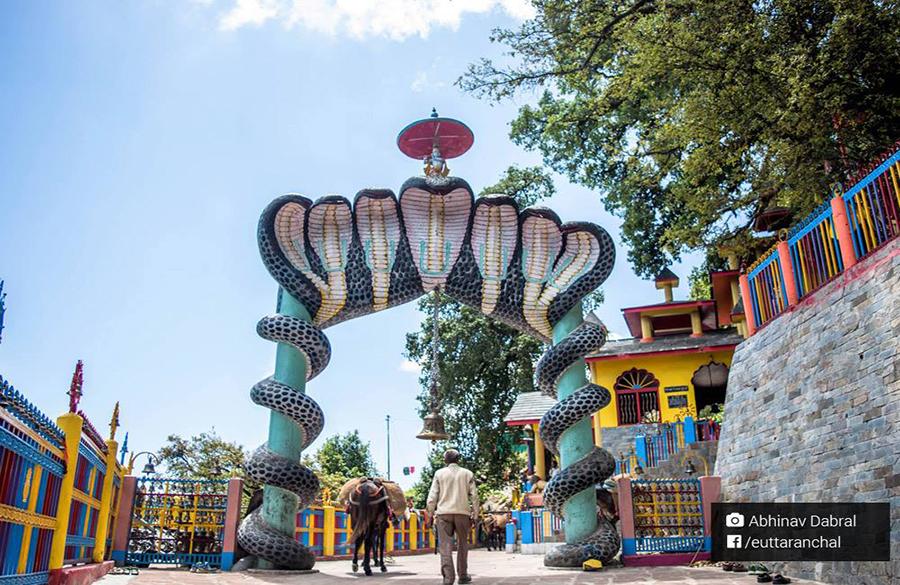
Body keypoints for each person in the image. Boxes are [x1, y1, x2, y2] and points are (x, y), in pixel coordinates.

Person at [426, 449, 478, 585]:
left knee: (445, 547)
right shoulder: (468, 474)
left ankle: (448, 579)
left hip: (443, 514)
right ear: (458, 459)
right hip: (463, 514)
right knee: (463, 545)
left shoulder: (439, 474)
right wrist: (476, 515)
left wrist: (430, 514)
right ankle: (463, 575)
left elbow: (432, 497)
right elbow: (475, 497)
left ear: (445, 460)